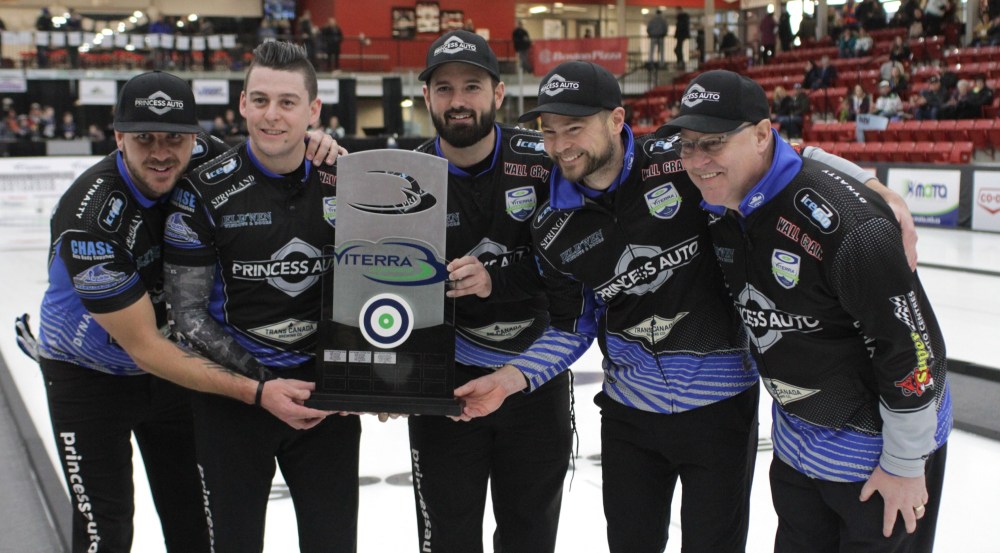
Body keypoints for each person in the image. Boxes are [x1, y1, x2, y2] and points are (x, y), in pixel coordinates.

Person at [459, 60, 920, 553]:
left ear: (616, 120)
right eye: (549, 132)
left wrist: (872, 188)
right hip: (629, 418)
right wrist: (508, 380)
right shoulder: (551, 224)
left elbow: (780, 157)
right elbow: (573, 325)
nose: (560, 145)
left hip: (721, 409)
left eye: (574, 128)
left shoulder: (680, 160)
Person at [19, 70, 340, 553]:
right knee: (105, 530)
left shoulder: (206, 155)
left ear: (195, 136)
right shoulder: (90, 218)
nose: (161, 153)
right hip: (88, 376)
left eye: (174, 138)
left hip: (174, 370)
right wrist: (257, 390)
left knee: (193, 523)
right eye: (144, 138)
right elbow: (145, 347)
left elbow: (269, 153)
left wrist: (316, 145)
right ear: (118, 137)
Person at [662, 69, 951, 553]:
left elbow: (913, 349)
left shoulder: (851, 228)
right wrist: (870, 179)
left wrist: (905, 463)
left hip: (879, 457)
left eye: (712, 142)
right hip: (799, 449)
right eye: (687, 145)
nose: (696, 160)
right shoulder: (725, 197)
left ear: (761, 135)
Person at [162, 41, 359, 553]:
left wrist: (380, 379)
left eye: (288, 102)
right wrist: (263, 386)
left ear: (313, 110)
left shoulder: (349, 181)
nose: (272, 115)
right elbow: (186, 316)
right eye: (261, 100)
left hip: (326, 398)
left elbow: (381, 289)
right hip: (234, 401)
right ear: (243, 104)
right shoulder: (202, 192)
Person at [408, 30, 591, 553]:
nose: (458, 100)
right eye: (444, 88)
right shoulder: (406, 177)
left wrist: (495, 278)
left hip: (532, 378)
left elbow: (574, 265)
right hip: (444, 386)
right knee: (446, 539)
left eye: (472, 86)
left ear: (498, 93)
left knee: (530, 537)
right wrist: (385, 379)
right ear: (427, 97)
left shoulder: (545, 163)